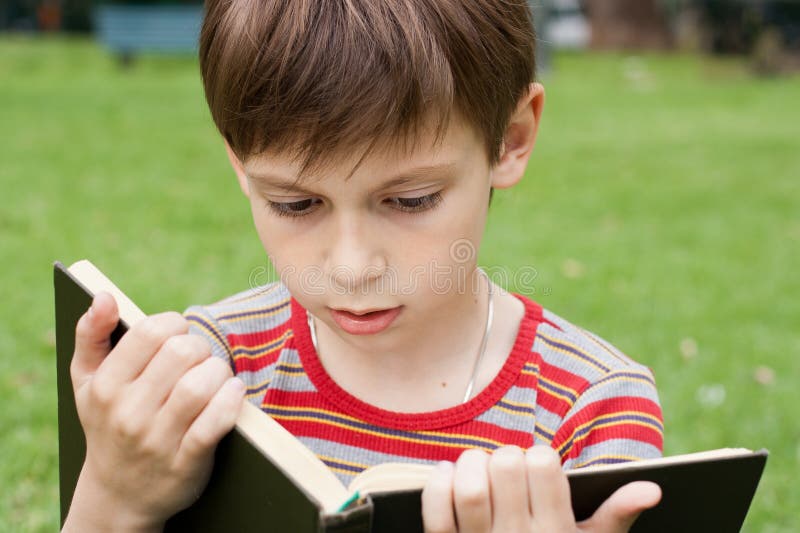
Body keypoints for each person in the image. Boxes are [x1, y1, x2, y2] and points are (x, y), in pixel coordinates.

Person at [62, 1, 663, 531]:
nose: (352, 269)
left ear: (510, 139)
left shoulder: (591, 411)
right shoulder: (206, 372)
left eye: (410, 200)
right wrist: (112, 498)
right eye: (296, 204)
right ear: (240, 163)